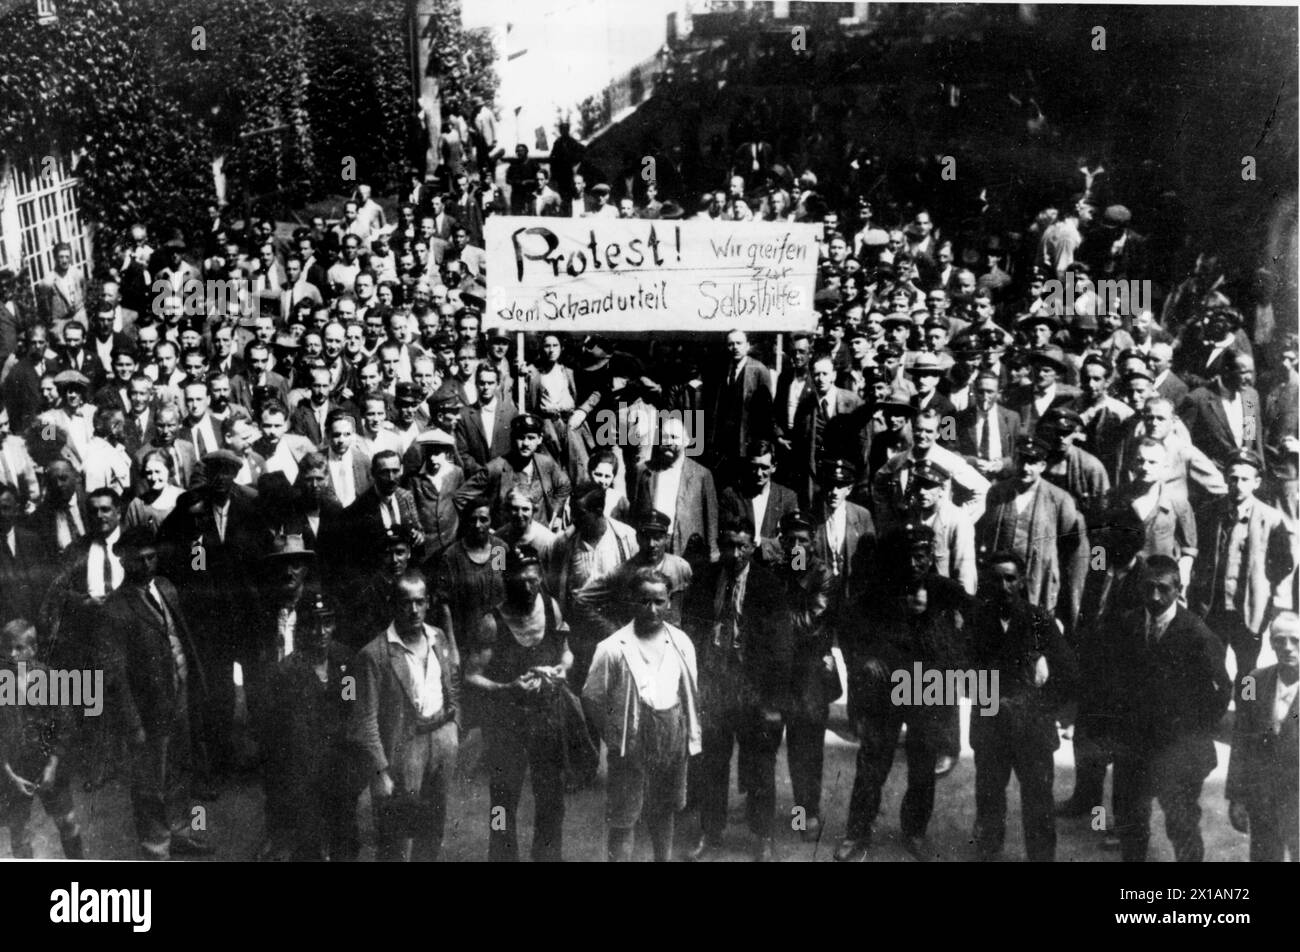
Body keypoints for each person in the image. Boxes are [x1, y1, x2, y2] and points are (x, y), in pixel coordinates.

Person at [835, 523, 968, 862]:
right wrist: (863, 659)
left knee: (922, 765)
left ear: (930, 557)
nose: (914, 564)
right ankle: (857, 834)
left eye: (921, 556)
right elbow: (848, 621)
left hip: (925, 690)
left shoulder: (944, 590)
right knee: (872, 764)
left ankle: (915, 832)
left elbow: (981, 619)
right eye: (908, 556)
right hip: (886, 690)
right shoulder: (881, 588)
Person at [1107, 556, 1232, 862]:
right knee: (1130, 821)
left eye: (1162, 588)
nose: (1154, 596)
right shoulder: (1126, 625)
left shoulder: (1198, 634)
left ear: (1179, 588)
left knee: (1182, 824)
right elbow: (1110, 680)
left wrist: (1189, 731)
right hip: (1133, 748)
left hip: (1178, 750)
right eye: (1148, 588)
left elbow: (1221, 692)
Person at [685, 515, 791, 862]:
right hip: (715, 684)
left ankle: (762, 837)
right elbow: (690, 632)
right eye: (728, 545)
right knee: (712, 762)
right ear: (721, 546)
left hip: (753, 688)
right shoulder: (704, 580)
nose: (734, 553)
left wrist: (772, 700)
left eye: (742, 546)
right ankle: (709, 832)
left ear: (752, 547)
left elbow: (781, 646)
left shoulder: (769, 585)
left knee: (760, 763)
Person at [104, 525, 212, 859]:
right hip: (149, 711)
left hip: (181, 694)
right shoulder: (115, 608)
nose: (149, 564)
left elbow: (180, 635)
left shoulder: (166, 587)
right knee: (150, 782)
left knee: (181, 768)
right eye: (140, 559)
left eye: (152, 557)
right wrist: (133, 723)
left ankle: (180, 828)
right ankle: (155, 846)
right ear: (124, 562)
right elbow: (115, 675)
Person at [465, 545, 576, 862]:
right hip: (505, 722)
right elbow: (470, 675)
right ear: (506, 580)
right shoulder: (491, 621)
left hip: (546, 718)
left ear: (540, 576)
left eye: (533, 580)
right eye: (520, 581)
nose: (527, 588)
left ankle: (548, 858)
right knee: (503, 800)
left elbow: (566, 651)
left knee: (552, 797)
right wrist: (507, 688)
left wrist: (563, 668)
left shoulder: (551, 607)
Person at [969, 552, 1077, 861]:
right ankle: (989, 852)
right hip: (991, 726)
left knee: (1039, 802)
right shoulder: (978, 619)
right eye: (996, 579)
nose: (1003, 585)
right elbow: (963, 667)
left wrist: (1041, 705)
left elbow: (1069, 672)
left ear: (1021, 581)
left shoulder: (1039, 620)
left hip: (1033, 730)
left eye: (1010, 578)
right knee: (988, 798)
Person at [350, 570, 460, 862]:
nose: (413, 610)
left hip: (442, 740)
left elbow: (452, 681)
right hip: (404, 749)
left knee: (432, 829)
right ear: (393, 605)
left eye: (420, 602)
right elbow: (365, 720)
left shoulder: (437, 636)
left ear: (427, 604)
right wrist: (380, 771)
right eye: (405, 603)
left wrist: (454, 727)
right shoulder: (374, 655)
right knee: (395, 842)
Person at [1189, 448, 1294, 701]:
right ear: (1226, 478)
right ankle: (1212, 708)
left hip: (1248, 611)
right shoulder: (1209, 513)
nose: (1238, 485)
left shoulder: (1270, 518)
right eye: (1233, 478)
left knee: (1248, 668)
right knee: (1210, 662)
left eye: (1245, 479)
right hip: (1212, 607)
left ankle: (1246, 710)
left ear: (1257, 482)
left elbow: (1284, 563)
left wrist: (1262, 585)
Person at [0, 618, 84, 858]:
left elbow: (66, 726)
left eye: (18, 647)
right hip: (13, 769)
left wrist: (53, 765)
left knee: (67, 821)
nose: (11, 654)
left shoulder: (50, 679)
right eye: (6, 647)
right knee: (19, 834)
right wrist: (9, 774)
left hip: (49, 762)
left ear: (33, 649)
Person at [1226, 612, 1299, 861]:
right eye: (1280, 640)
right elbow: (1241, 741)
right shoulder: (1252, 681)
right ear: (1271, 643)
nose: (1287, 648)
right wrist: (1236, 798)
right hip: (1264, 800)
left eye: (1295, 640)